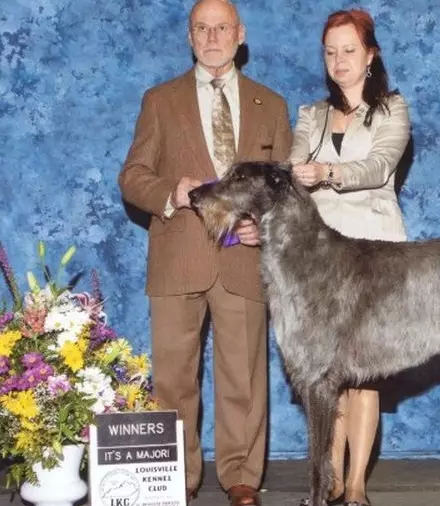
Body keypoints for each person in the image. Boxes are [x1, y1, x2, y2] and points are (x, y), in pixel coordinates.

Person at [118, 0, 292, 504]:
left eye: (221, 28)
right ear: (190, 36)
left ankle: (241, 477)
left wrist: (269, 226)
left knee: (245, 376)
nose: (212, 37)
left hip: (245, 259)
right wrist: (172, 193)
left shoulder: (271, 104)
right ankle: (173, 476)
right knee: (173, 379)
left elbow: (285, 190)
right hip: (178, 257)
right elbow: (132, 177)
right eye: (202, 28)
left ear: (240, 35)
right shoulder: (160, 100)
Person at [289, 9, 411, 506]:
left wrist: (327, 173)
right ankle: (330, 480)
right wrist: (299, 172)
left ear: (370, 56)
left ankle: (356, 485)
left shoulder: (393, 109)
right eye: (330, 52)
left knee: (365, 376)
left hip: (375, 253)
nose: (338, 61)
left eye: (349, 51)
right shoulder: (310, 115)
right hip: (319, 259)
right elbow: (295, 164)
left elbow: (380, 165)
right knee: (326, 376)